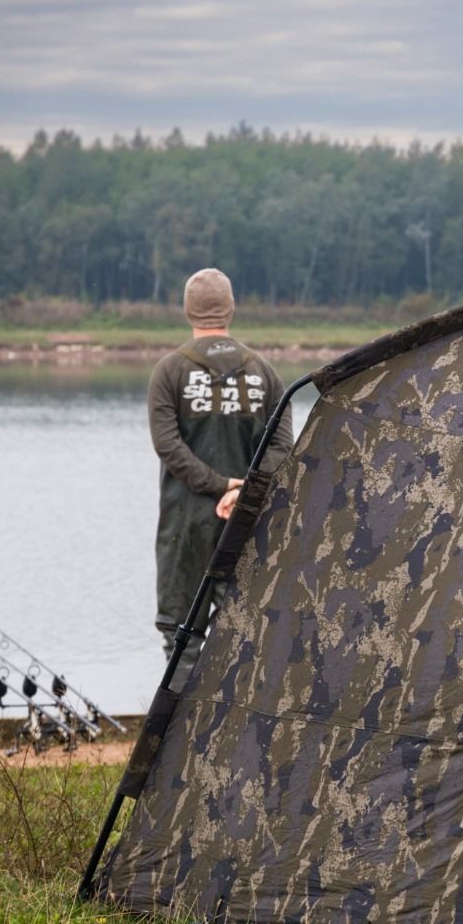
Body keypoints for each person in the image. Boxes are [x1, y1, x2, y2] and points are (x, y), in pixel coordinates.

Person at [148, 268, 292, 686]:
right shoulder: (265, 373)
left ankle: (182, 742)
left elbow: (168, 445)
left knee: (181, 637)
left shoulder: (169, 372)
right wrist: (243, 491)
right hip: (246, 525)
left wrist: (216, 486)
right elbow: (282, 448)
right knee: (242, 636)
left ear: (187, 310)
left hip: (183, 528)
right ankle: (235, 738)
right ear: (230, 308)